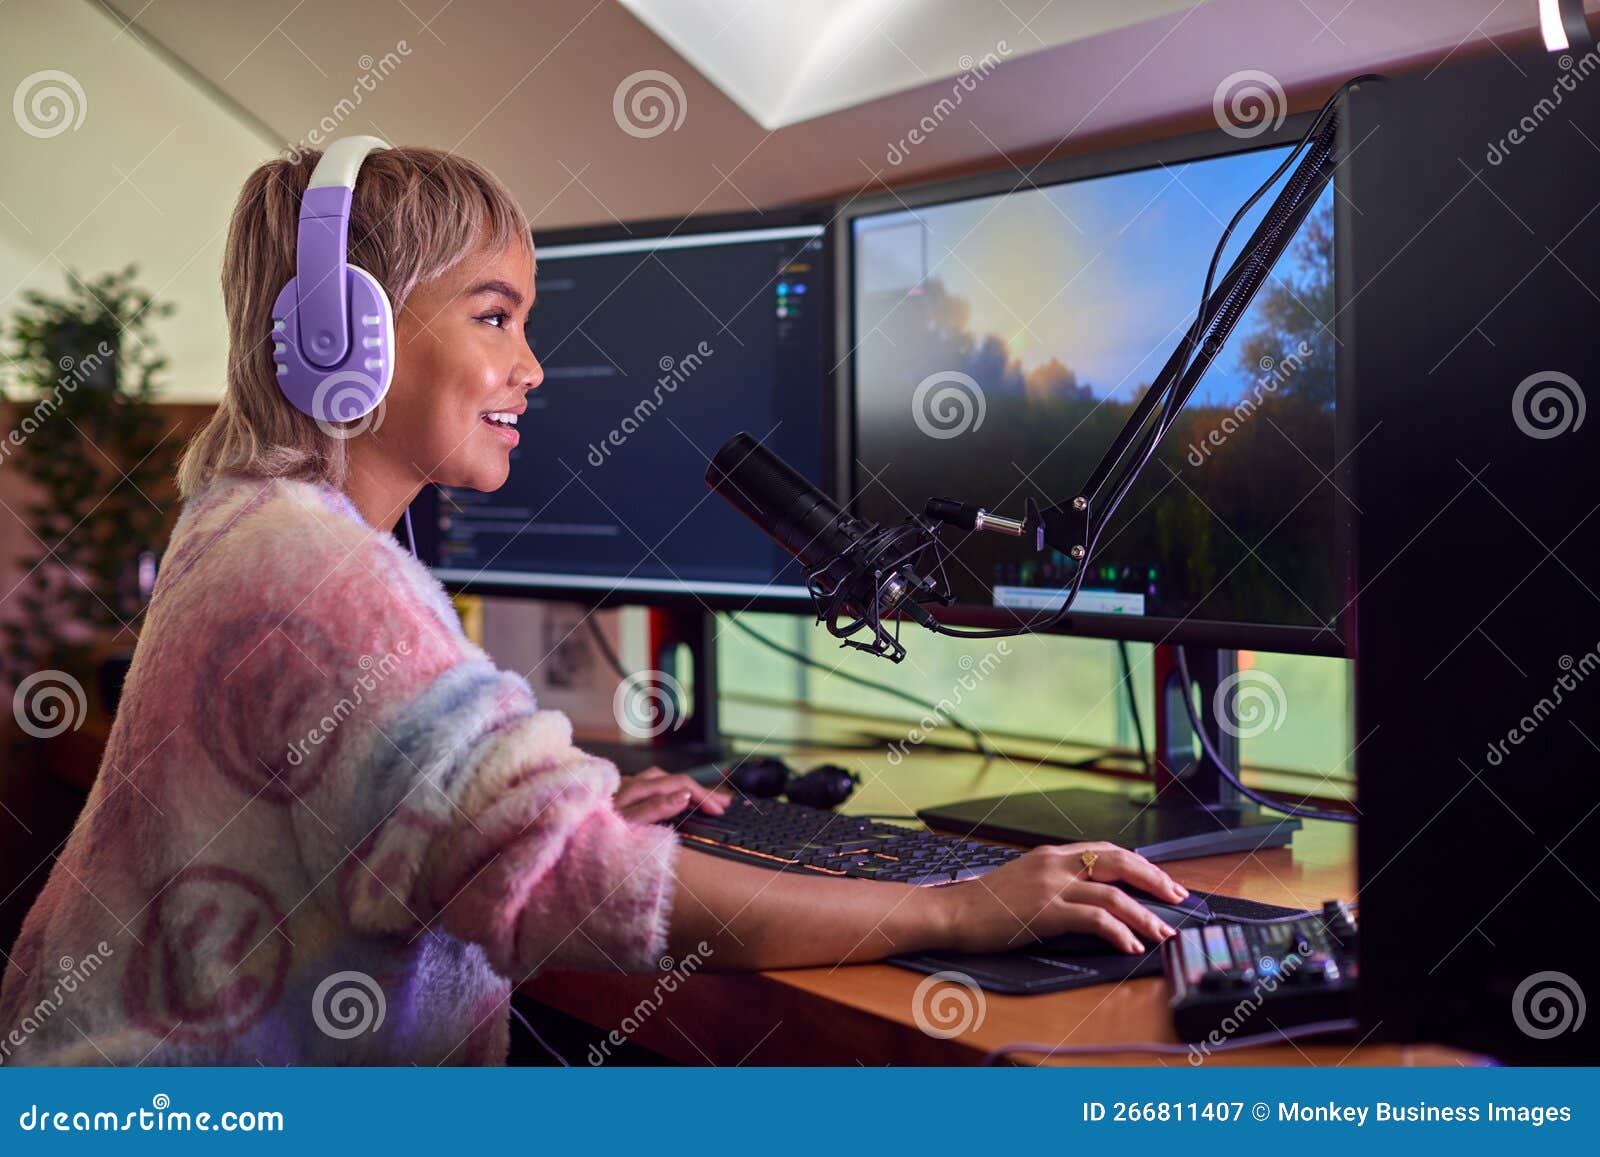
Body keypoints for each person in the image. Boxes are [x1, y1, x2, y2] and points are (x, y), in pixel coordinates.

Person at [0, 143, 1184, 1066]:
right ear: (343, 334)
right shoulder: (320, 575)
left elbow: (391, 798)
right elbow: (579, 894)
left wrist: (572, 806)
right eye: (494, 315)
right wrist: (959, 906)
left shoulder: (240, 519)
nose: (531, 367)